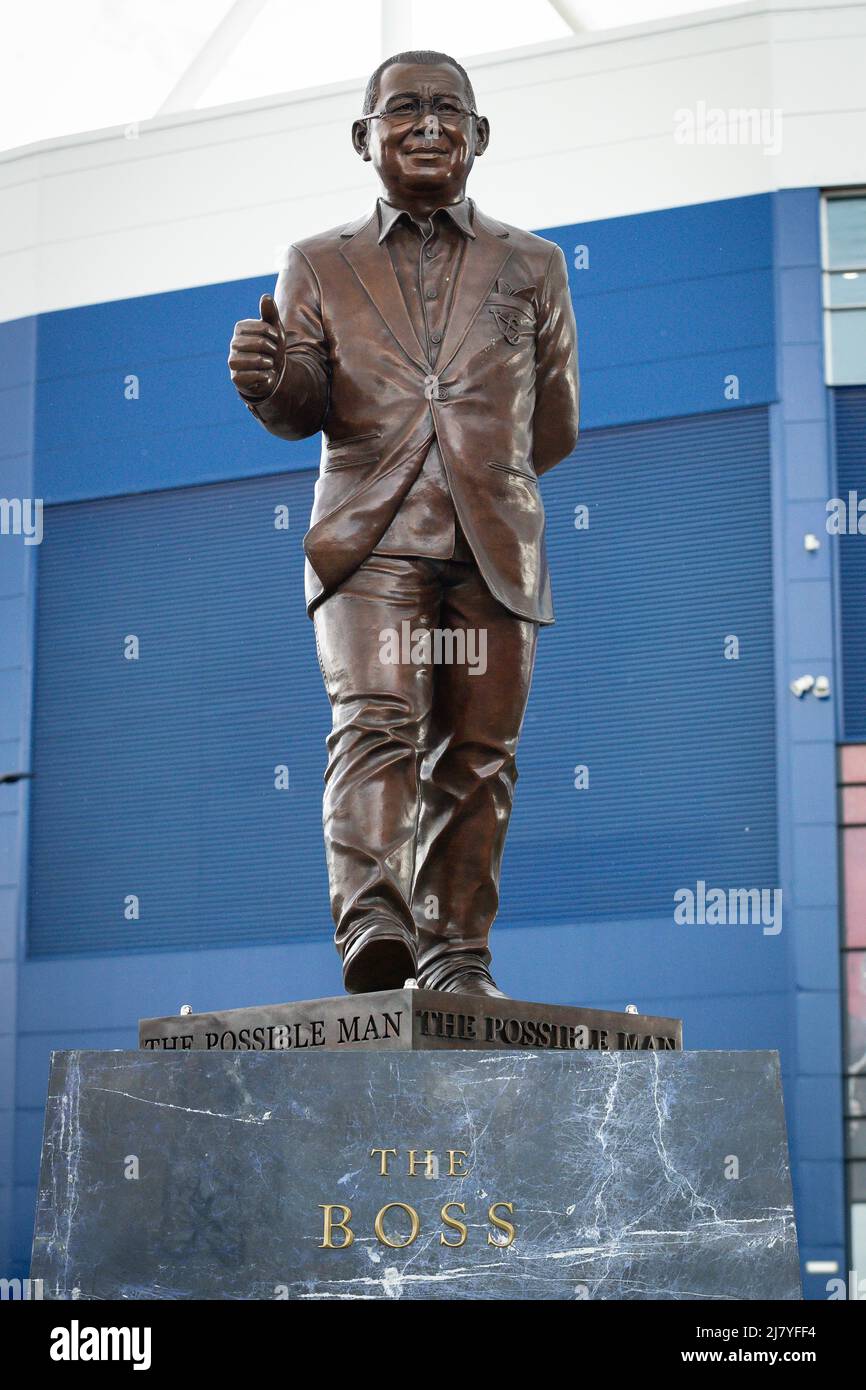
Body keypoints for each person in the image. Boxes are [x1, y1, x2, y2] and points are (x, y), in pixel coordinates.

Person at [228, 50, 579, 997]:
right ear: (364, 136)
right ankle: (375, 921)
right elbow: (303, 399)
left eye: (449, 110)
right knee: (377, 720)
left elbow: (555, 424)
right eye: (405, 110)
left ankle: (457, 959)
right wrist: (269, 380)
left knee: (477, 755)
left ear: (480, 135)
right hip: (369, 543)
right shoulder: (316, 262)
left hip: (491, 550)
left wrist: (478, 479)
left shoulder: (536, 264)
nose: (429, 126)